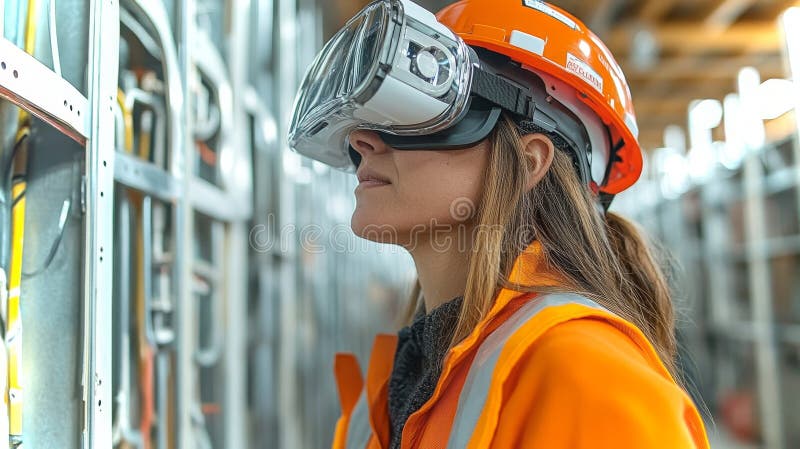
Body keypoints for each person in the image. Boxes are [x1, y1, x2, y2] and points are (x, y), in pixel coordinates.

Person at [288, 0, 711, 447]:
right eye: (370, 116)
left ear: (530, 162)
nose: (361, 139)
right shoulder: (406, 378)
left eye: (420, 111)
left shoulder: (590, 377)